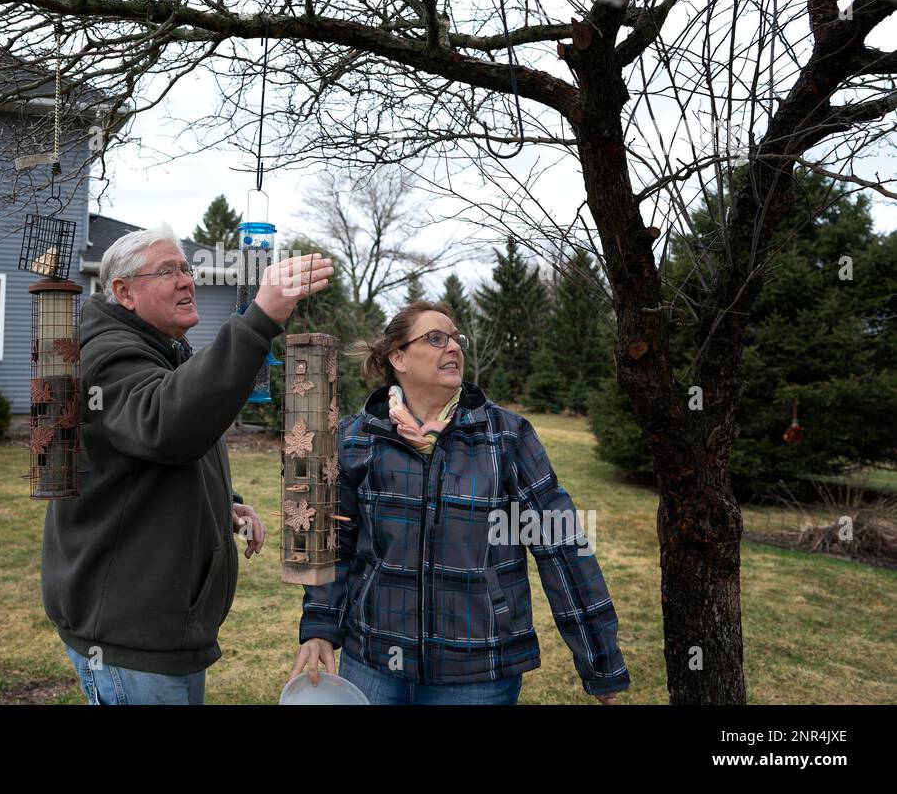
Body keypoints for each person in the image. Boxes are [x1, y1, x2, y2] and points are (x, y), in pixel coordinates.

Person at [43, 223, 334, 704]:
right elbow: (165, 425)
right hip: (128, 640)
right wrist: (259, 320)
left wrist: (225, 504)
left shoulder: (157, 351)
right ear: (124, 292)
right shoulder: (107, 356)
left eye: (186, 268)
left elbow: (165, 454)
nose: (186, 280)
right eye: (168, 271)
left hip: (157, 630)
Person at [290, 301, 630, 704]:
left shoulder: (506, 438)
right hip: (374, 663)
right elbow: (332, 541)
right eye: (436, 338)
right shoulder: (356, 437)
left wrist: (601, 662)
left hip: (478, 671)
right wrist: (319, 626)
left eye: (456, 339)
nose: (453, 347)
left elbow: (563, 548)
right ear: (397, 356)